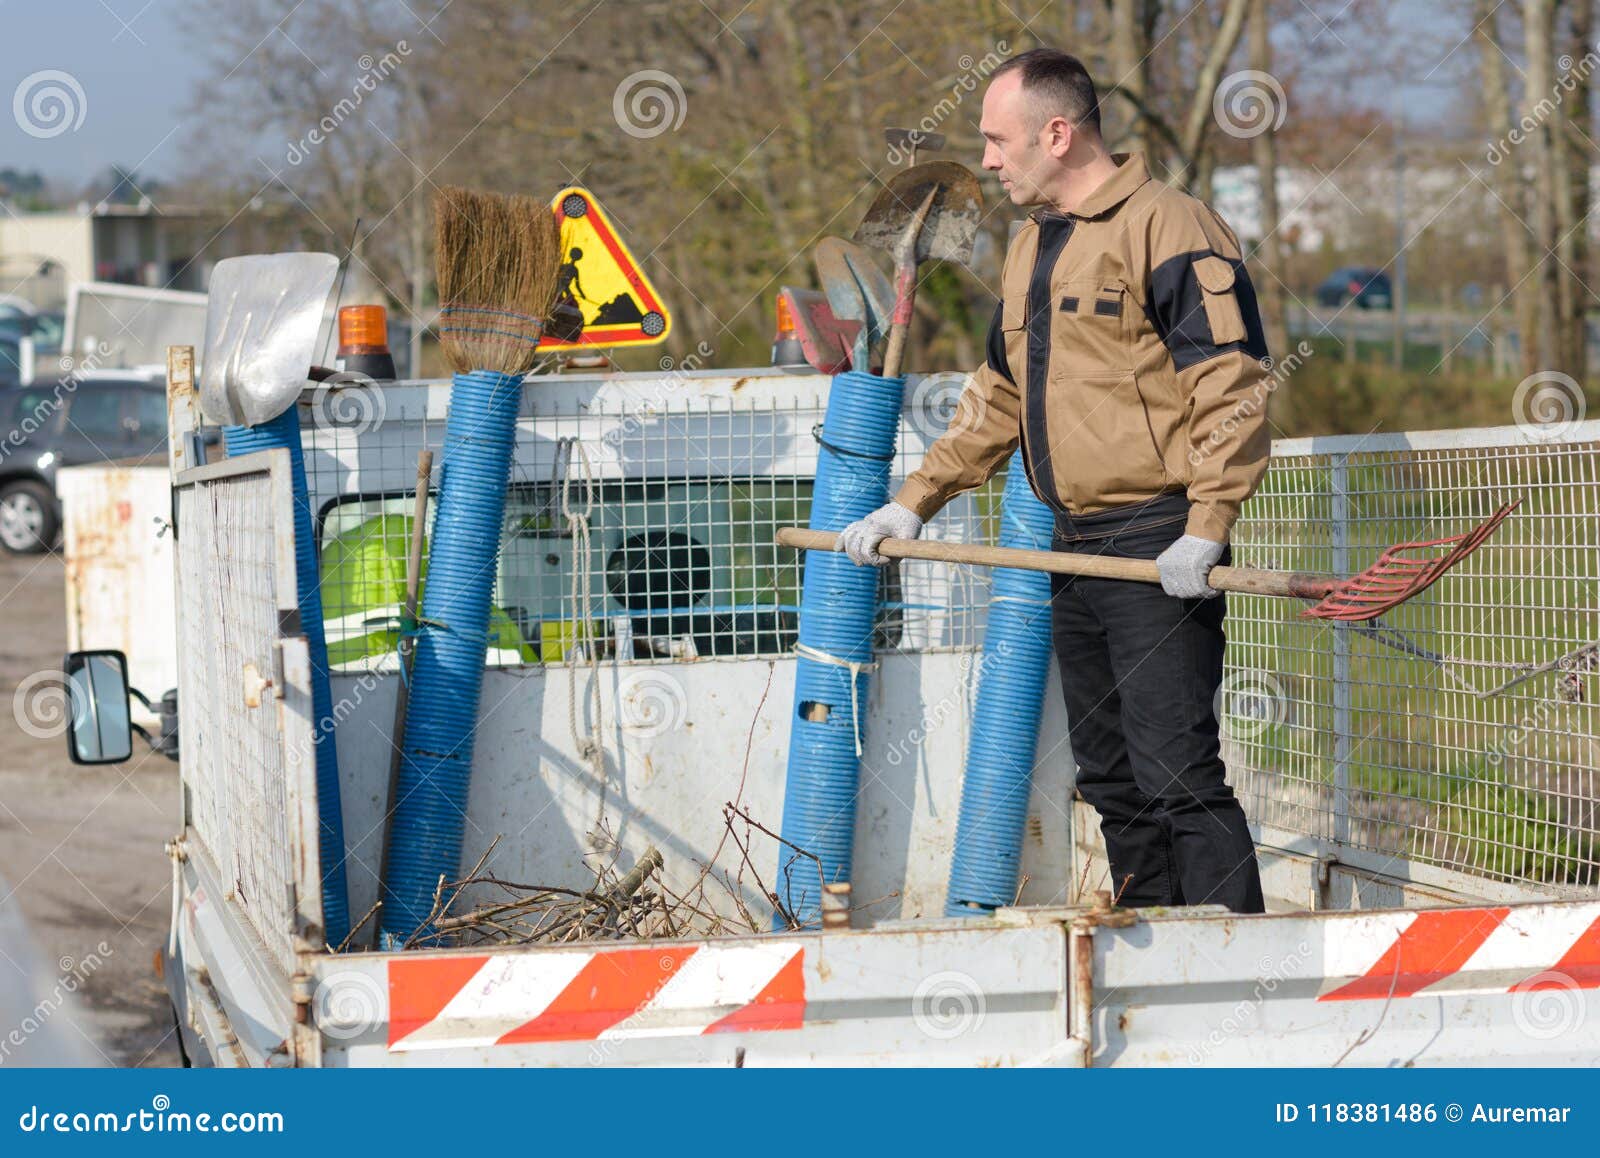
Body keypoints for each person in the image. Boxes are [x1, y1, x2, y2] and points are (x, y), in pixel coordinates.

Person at [838, 48, 1273, 914]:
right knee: (1110, 776)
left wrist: (1208, 521)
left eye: (999, 141)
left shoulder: (1169, 226)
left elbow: (1230, 381)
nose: (989, 161)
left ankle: (1245, 968)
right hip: (1073, 546)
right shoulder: (1034, 244)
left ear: (1058, 133)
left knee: (1176, 771)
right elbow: (1001, 394)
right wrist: (912, 499)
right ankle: (1155, 965)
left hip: (1157, 540)